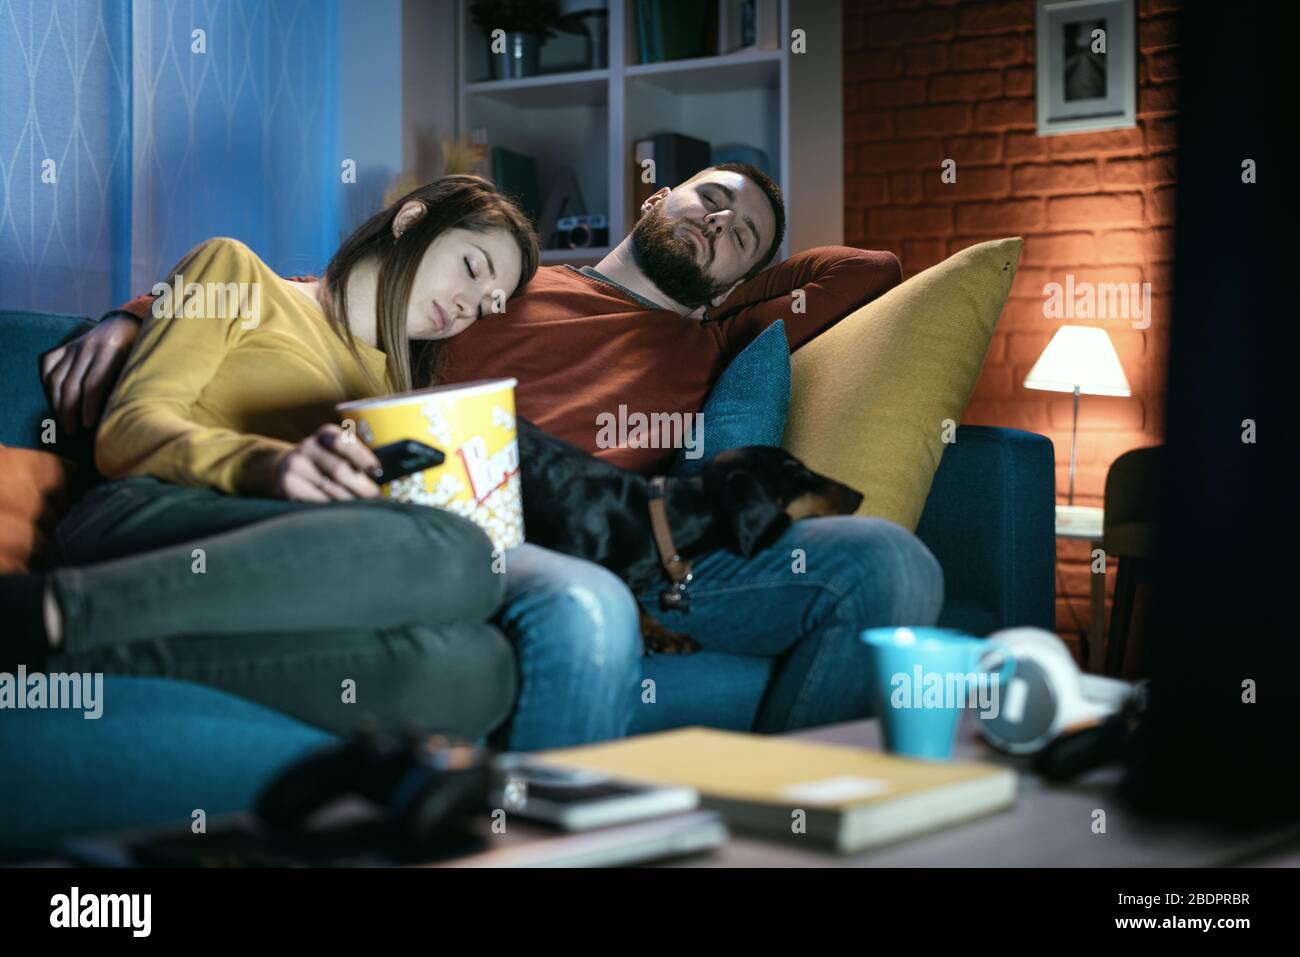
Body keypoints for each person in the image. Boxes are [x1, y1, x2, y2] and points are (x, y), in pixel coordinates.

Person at [37, 162, 944, 751]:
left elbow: (866, 272)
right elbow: (313, 293)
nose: (718, 226)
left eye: (740, 237)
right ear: (652, 196)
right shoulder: (498, 289)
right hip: (498, 534)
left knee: (888, 564)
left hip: (653, 553)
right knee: (567, 605)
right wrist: (133, 316)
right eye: (708, 200)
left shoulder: (719, 334)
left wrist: (733, 281)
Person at [1, 175, 538, 739]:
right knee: (461, 554)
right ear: (410, 222)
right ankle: (44, 608)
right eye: (471, 268)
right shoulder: (237, 275)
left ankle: (64, 663)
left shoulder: (400, 395)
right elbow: (126, 431)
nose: (464, 306)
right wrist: (271, 466)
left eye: (484, 306)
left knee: (477, 671)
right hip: (148, 513)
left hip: (276, 574)